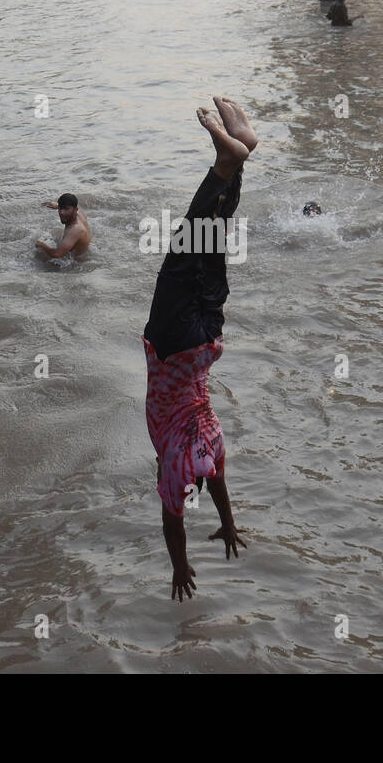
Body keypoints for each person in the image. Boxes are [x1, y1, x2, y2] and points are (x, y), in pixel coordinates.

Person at [143, 96, 255, 602]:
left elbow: (221, 489)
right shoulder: (180, 466)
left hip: (209, 340)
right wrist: (179, 566)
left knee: (212, 246)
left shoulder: (214, 449)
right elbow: (174, 524)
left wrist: (230, 526)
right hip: (174, 347)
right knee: (188, 244)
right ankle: (225, 162)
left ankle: (235, 161)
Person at [36, 193, 92, 259]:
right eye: (60, 208)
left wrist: (42, 245)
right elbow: (67, 208)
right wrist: (56, 206)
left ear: (75, 210)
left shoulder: (75, 229)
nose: (61, 213)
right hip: (85, 249)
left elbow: (57, 254)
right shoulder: (80, 213)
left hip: (77, 263)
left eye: (66, 209)